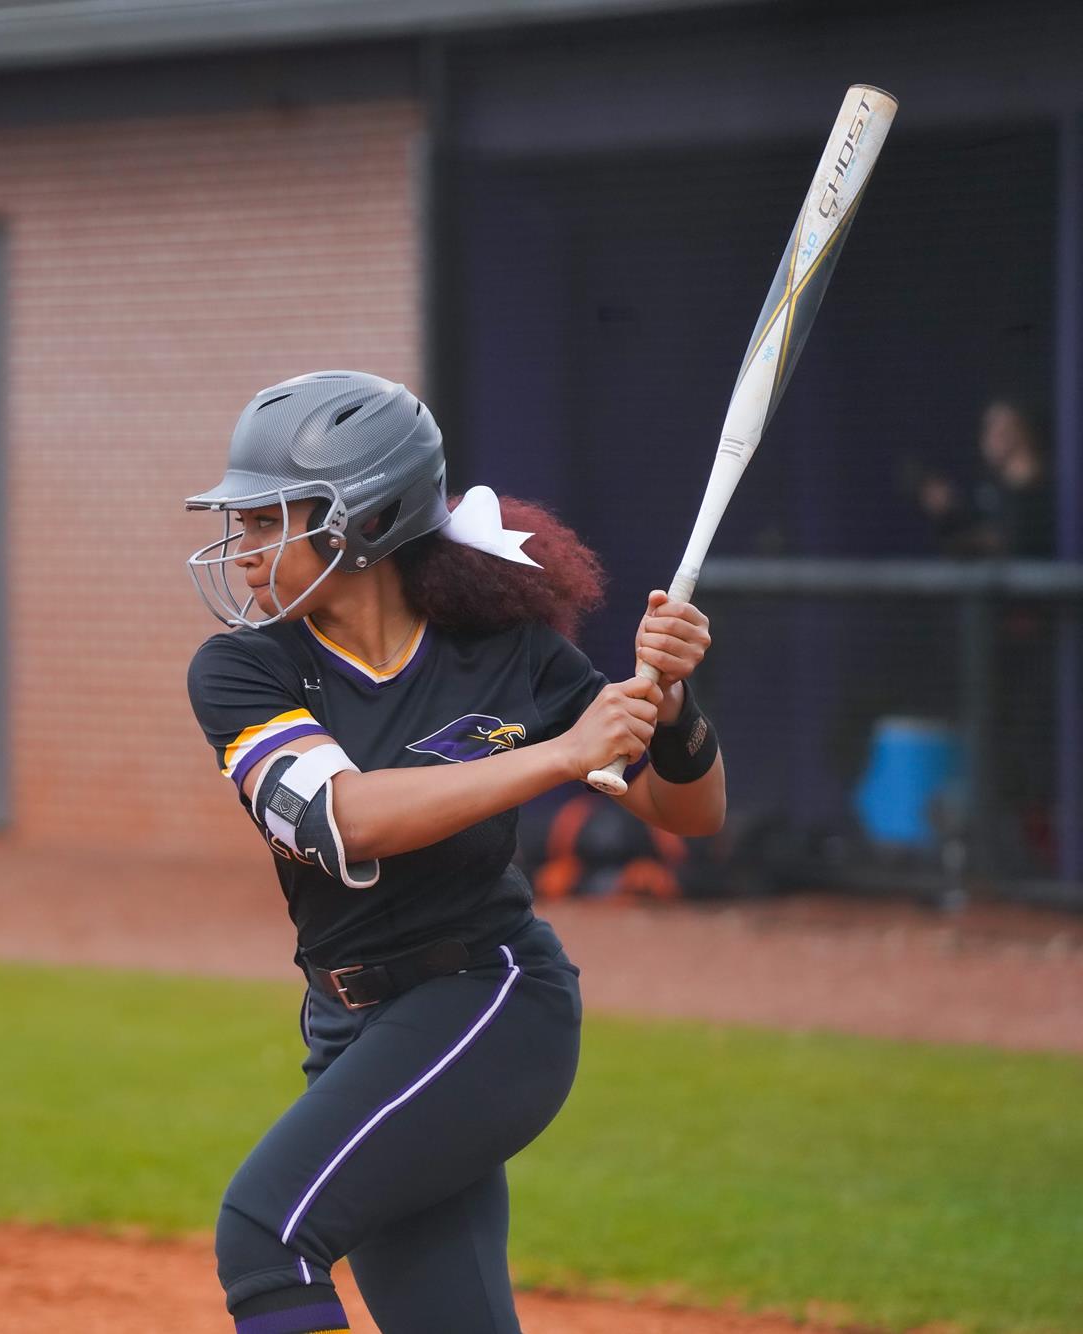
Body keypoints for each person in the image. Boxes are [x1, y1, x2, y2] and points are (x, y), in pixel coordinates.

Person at [184, 371, 726, 1334]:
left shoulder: (507, 650)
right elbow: (343, 819)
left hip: (490, 1000)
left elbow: (686, 812)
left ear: (363, 524)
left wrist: (675, 706)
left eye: (270, 520)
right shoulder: (246, 666)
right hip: (349, 1023)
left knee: (267, 1235)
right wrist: (559, 754)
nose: (246, 547)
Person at [917, 398, 1057, 558]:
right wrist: (948, 514)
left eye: (1001, 429)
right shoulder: (993, 487)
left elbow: (1006, 542)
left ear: (1022, 432)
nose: (990, 438)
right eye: (988, 428)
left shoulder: (1043, 492)